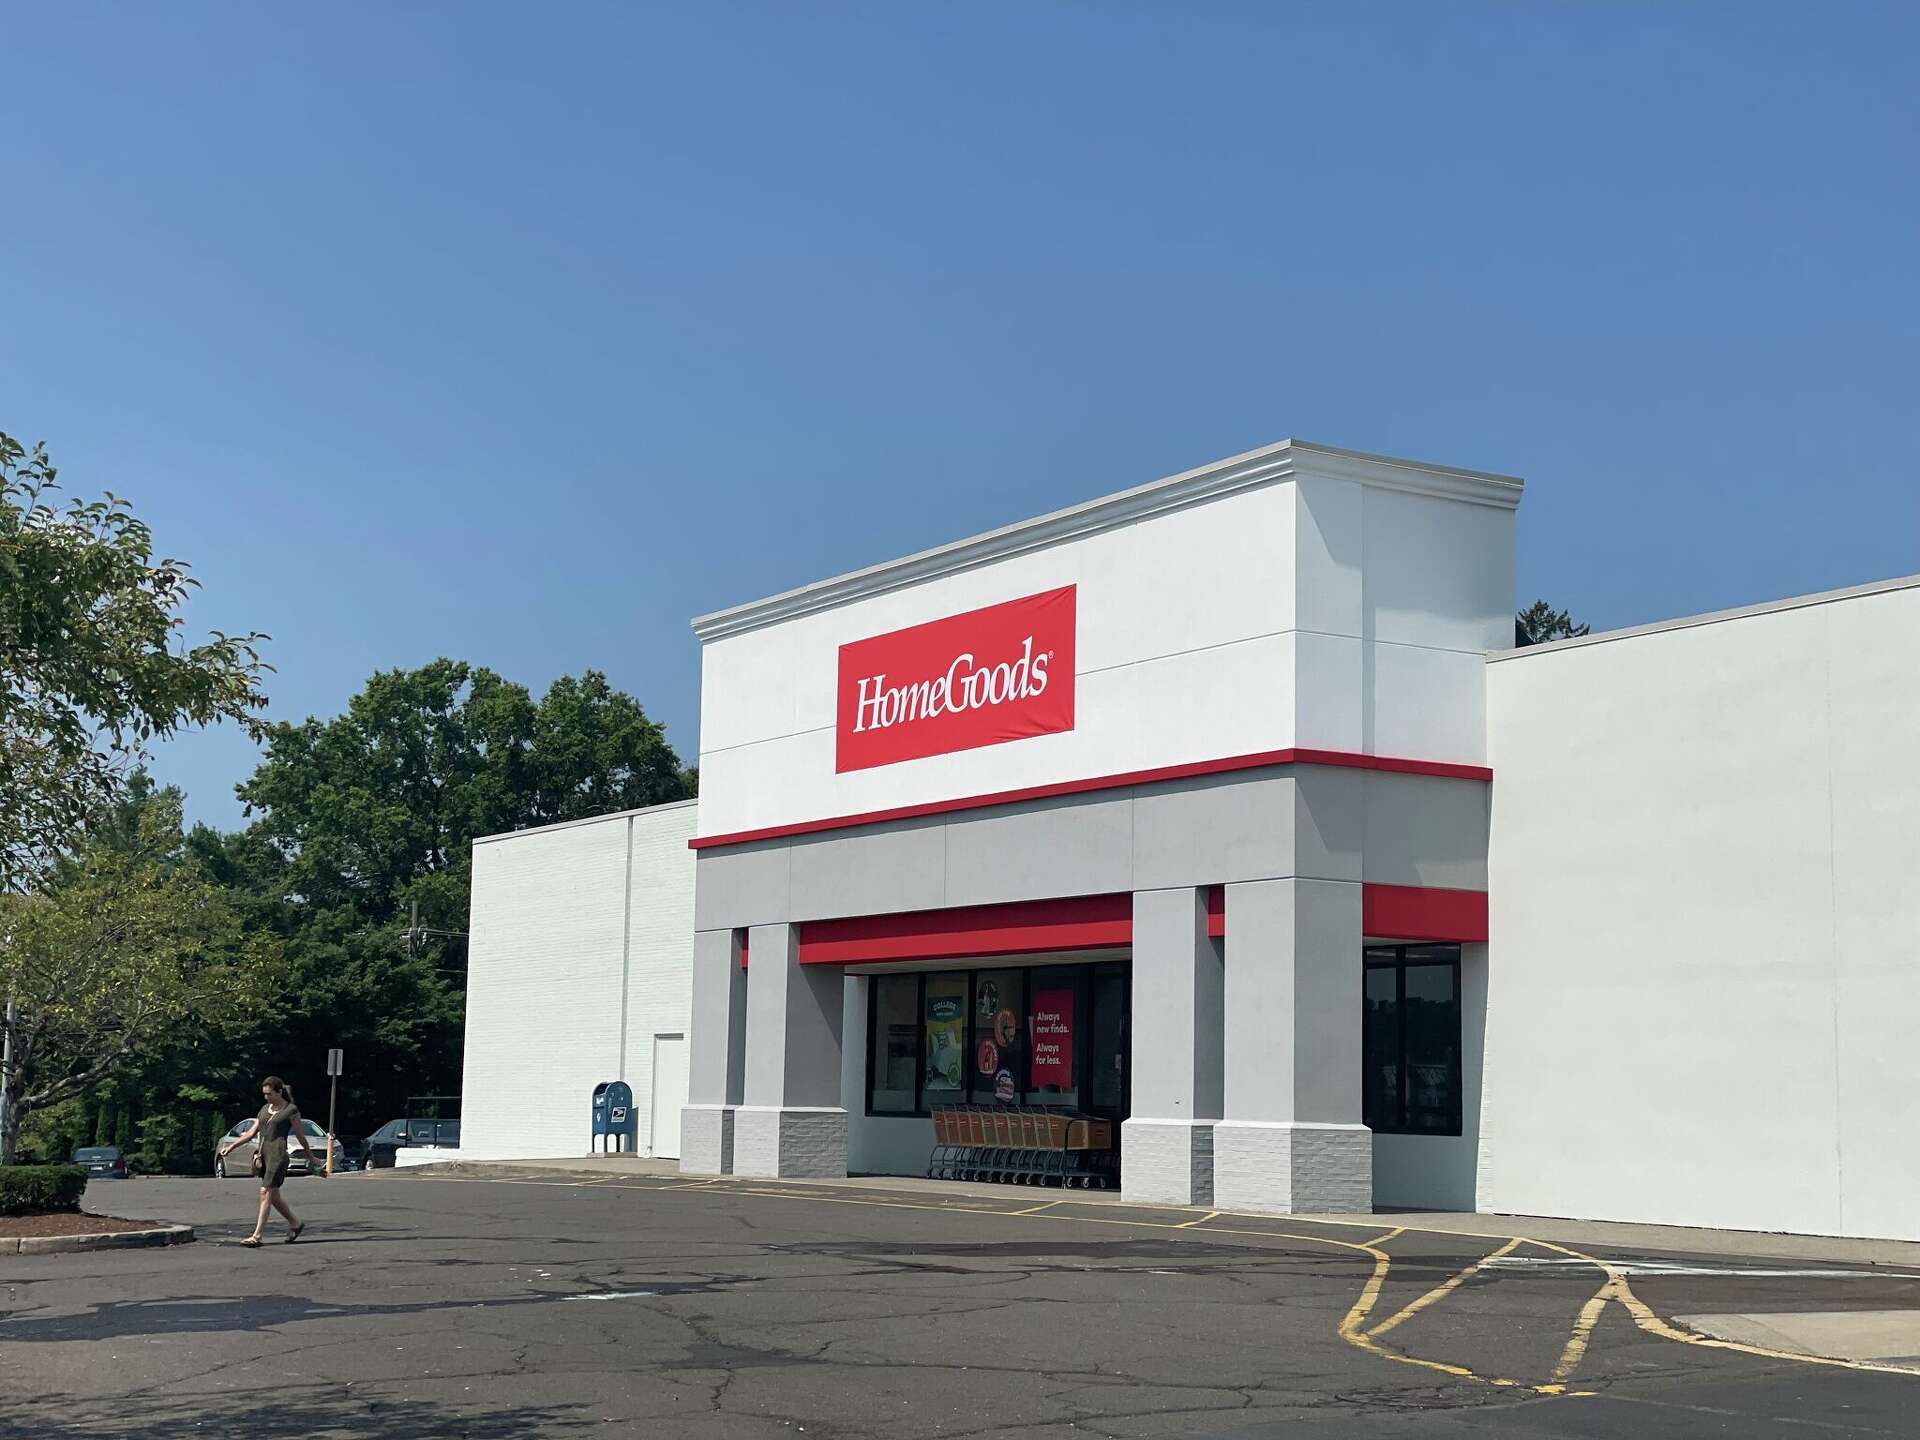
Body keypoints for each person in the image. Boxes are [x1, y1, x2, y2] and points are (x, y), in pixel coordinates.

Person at [217, 1076, 324, 1246]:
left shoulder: (291, 1110)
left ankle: (257, 1236)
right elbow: (251, 1133)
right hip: (264, 1155)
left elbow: (300, 1136)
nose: (266, 1097)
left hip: (278, 1156)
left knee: (265, 1192)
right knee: (273, 1196)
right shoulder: (264, 1110)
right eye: (264, 1094)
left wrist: (311, 1157)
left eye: (269, 1094)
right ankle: (296, 1224)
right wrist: (231, 1147)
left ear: (279, 1091)